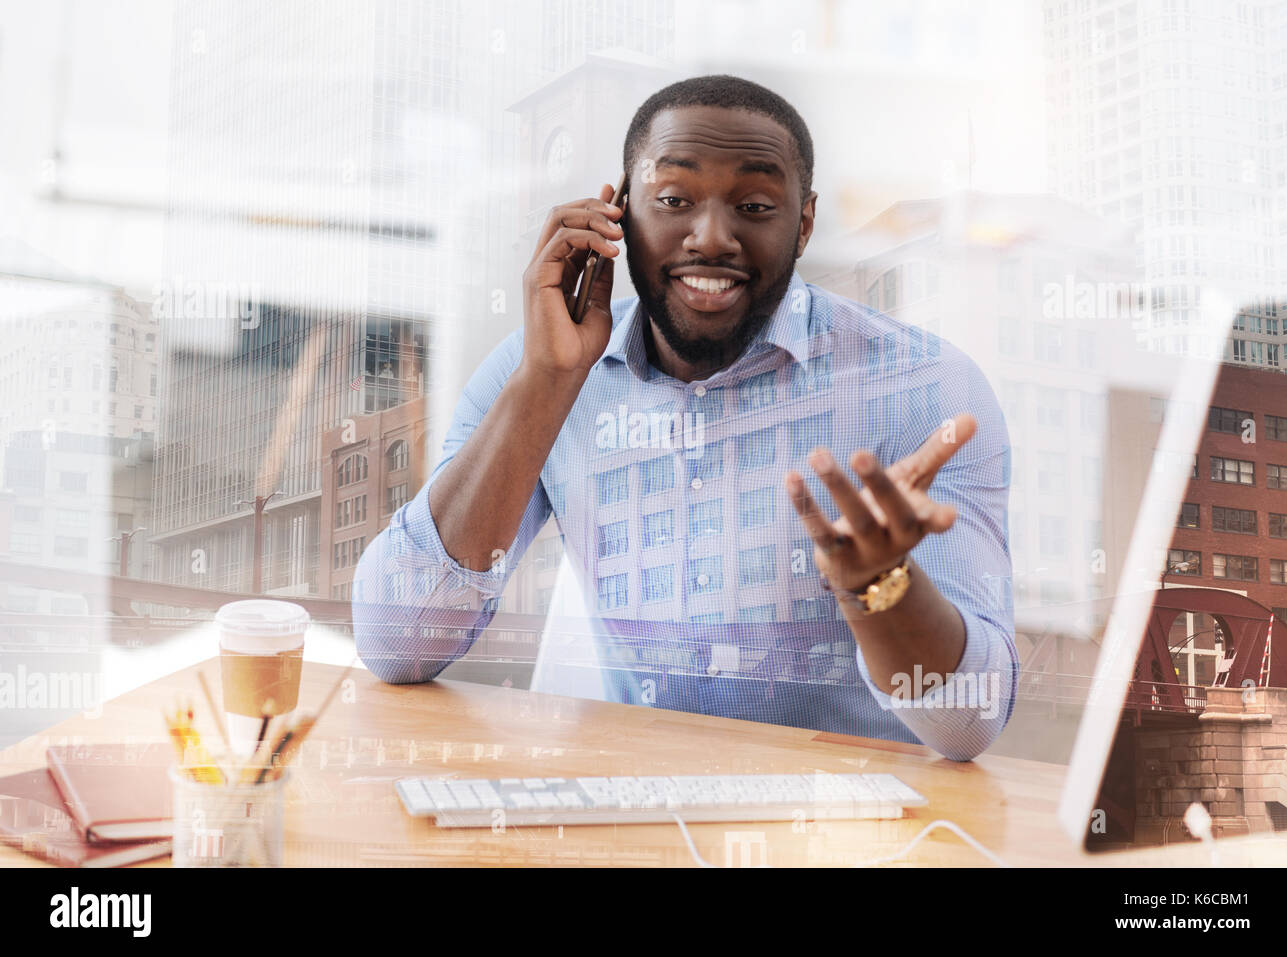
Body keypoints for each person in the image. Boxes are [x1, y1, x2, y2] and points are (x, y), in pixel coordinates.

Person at [352, 75, 1017, 762]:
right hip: (619, 812)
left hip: (843, 829)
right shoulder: (540, 364)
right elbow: (395, 645)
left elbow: (970, 724)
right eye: (673, 200)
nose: (711, 237)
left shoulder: (927, 388)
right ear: (619, 211)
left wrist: (883, 590)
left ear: (804, 224)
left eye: (755, 205)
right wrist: (546, 384)